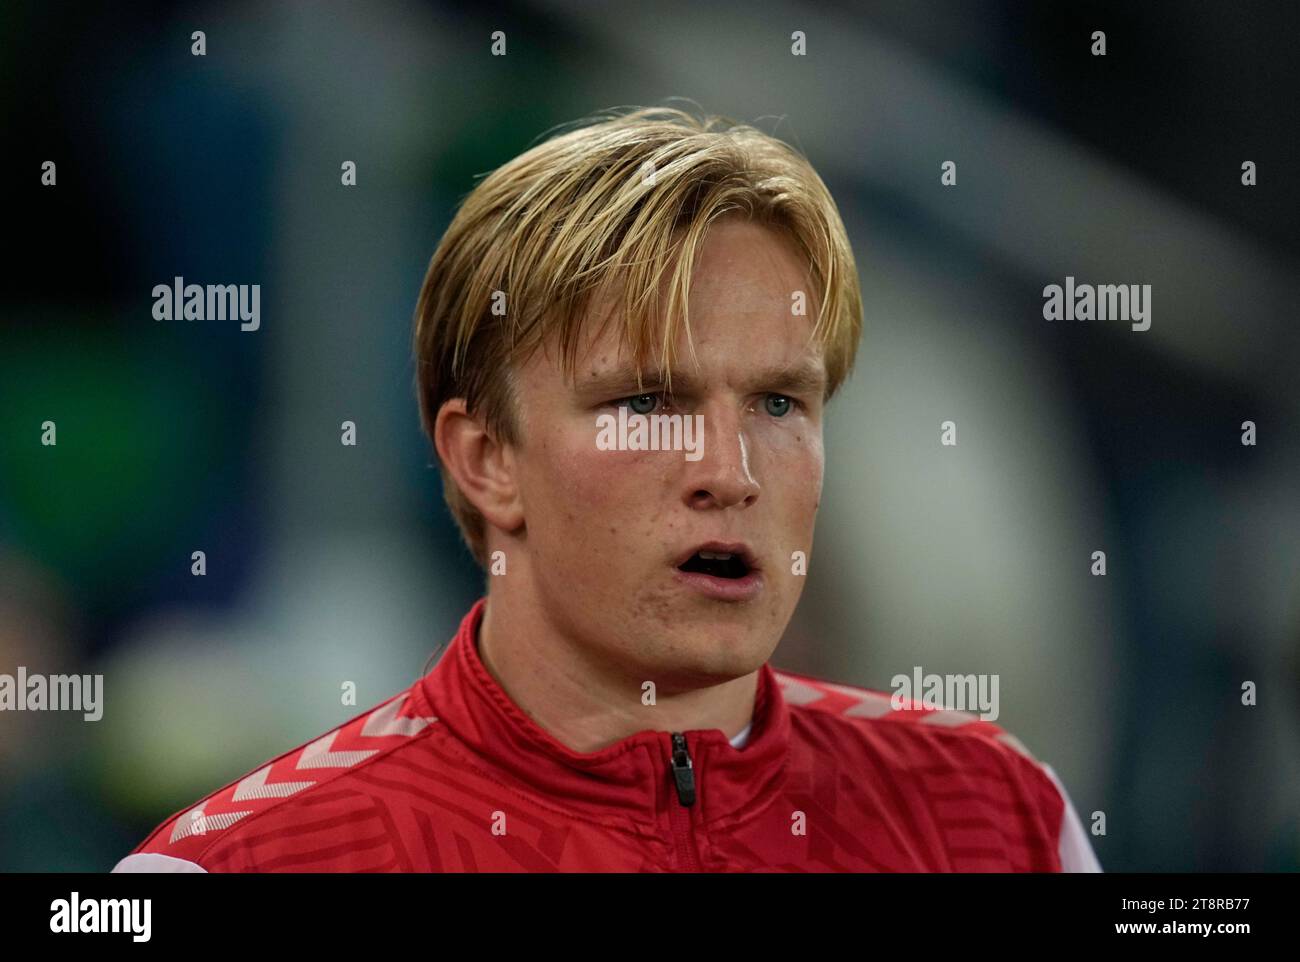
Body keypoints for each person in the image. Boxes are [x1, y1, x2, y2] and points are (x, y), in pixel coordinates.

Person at [113, 106, 1100, 872]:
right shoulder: (233, 863)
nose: (730, 472)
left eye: (777, 402)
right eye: (647, 402)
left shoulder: (1002, 813)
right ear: (485, 457)